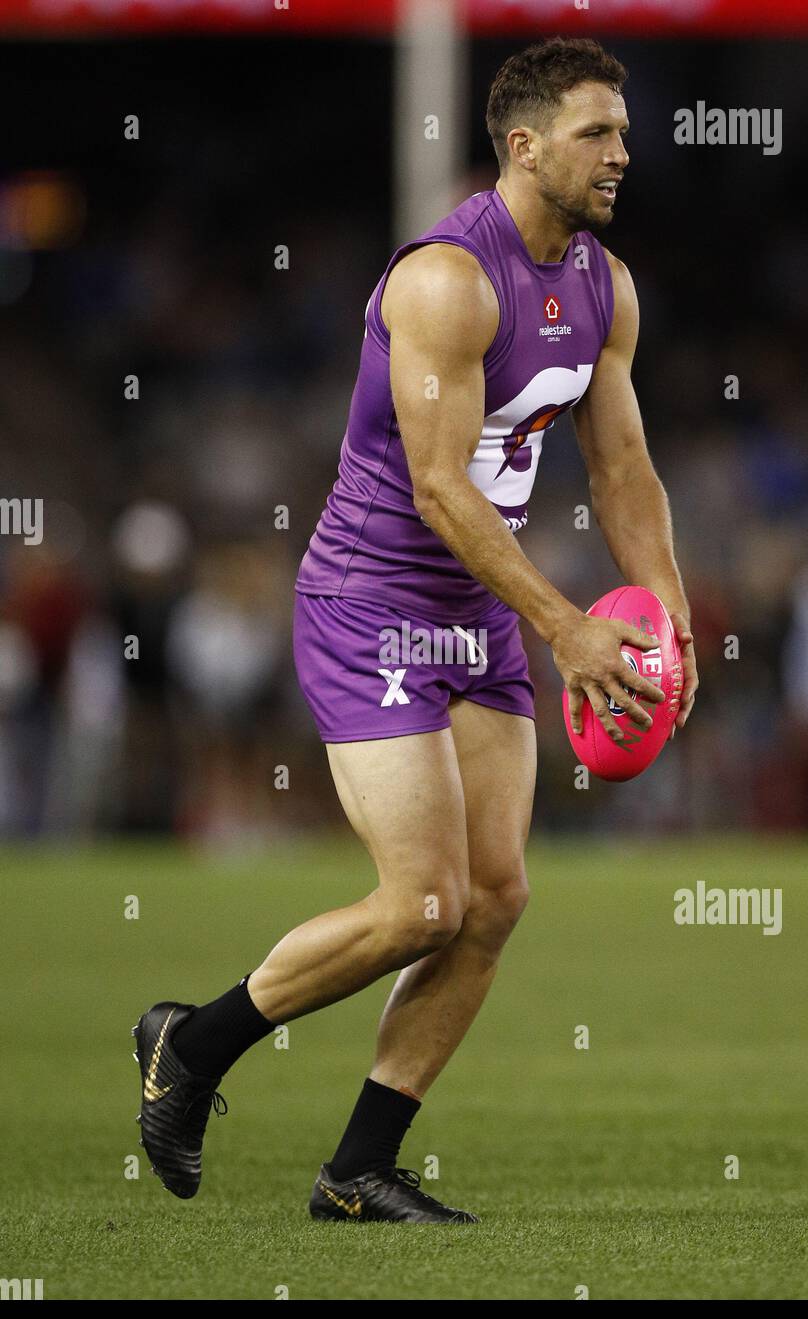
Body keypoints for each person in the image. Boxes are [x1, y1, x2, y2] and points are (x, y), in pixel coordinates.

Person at [132, 36, 698, 1224]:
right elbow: (441, 491)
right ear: (524, 144)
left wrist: (670, 627)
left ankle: (355, 1171)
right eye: (596, 132)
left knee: (494, 898)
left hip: (478, 611)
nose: (620, 154)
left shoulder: (603, 284)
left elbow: (625, 467)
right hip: (373, 609)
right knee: (423, 903)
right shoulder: (446, 279)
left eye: (624, 132)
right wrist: (564, 627)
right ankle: (192, 1043)